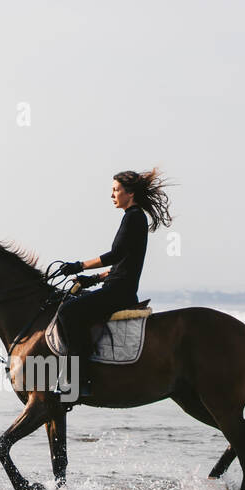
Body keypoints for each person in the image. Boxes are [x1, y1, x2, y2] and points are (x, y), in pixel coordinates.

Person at [57, 168, 173, 396]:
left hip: (120, 291)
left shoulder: (134, 217)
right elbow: (123, 264)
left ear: (129, 193)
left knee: (67, 312)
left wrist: (79, 265)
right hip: (116, 285)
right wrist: (93, 279)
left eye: (115, 190)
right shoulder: (132, 217)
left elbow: (115, 254)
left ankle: (79, 381)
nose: (112, 195)